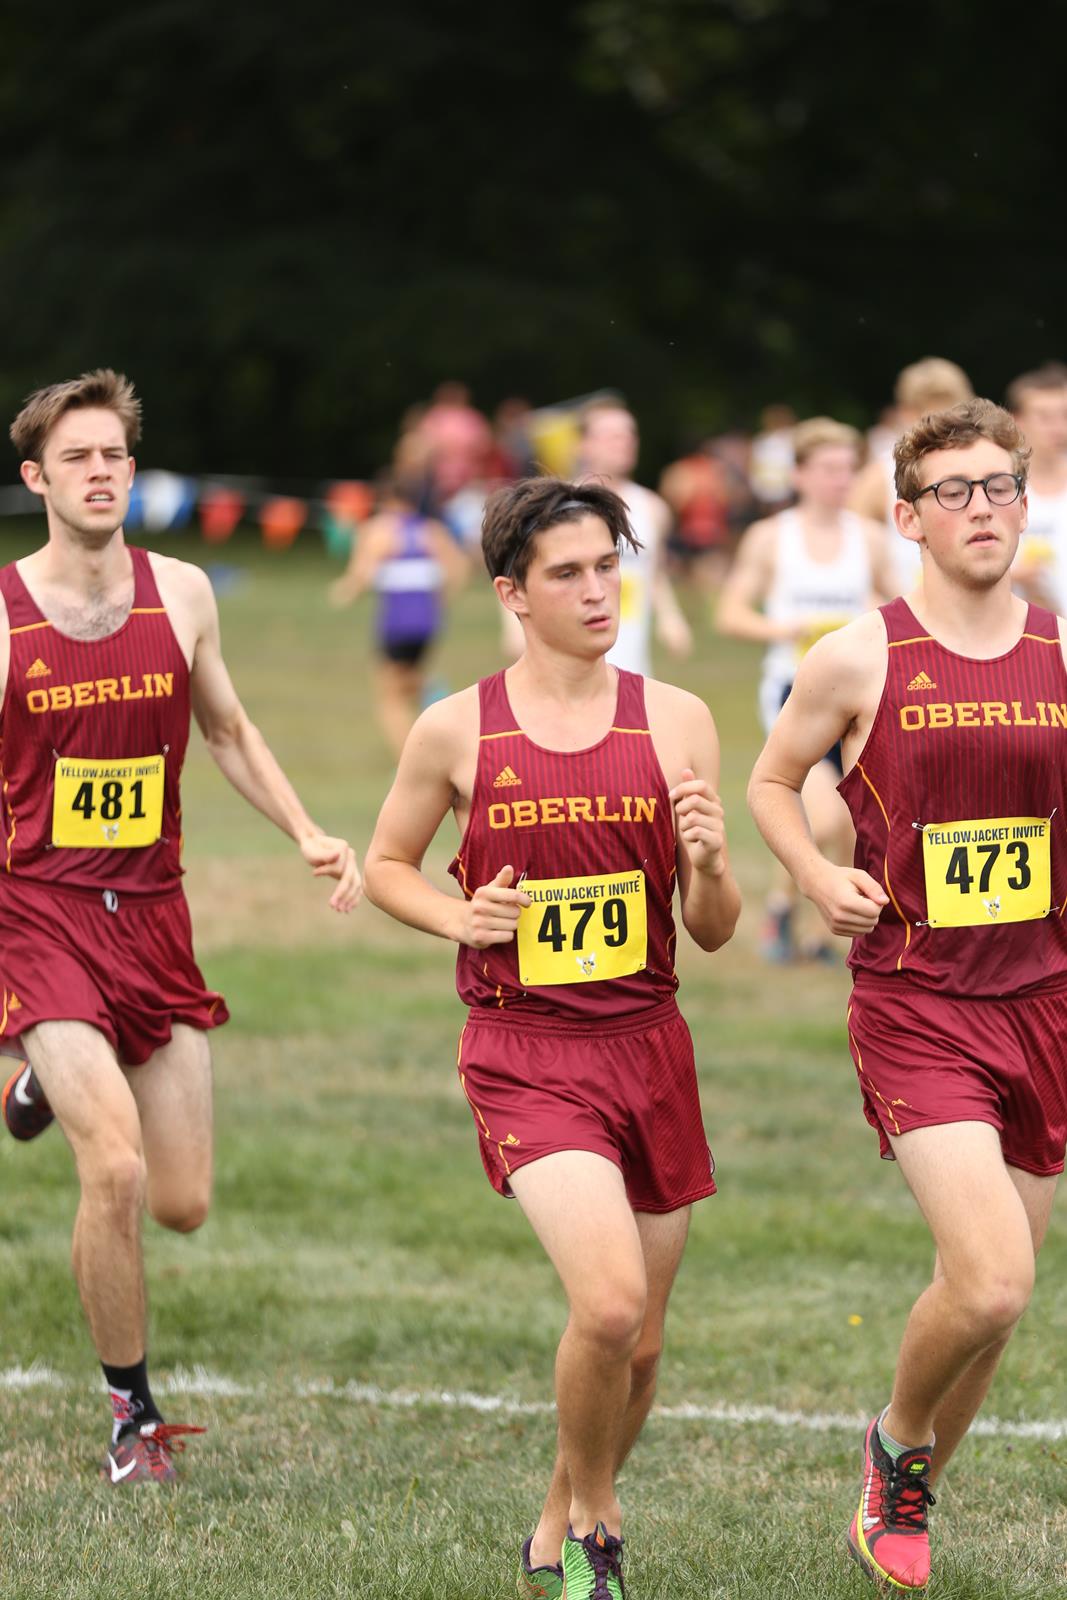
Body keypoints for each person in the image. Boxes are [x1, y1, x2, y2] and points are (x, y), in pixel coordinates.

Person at [363, 476, 740, 1600]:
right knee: (609, 1303)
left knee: (644, 1346)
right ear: (511, 594)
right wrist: (456, 914)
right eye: (566, 573)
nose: (594, 590)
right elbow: (387, 863)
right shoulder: (455, 727)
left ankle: (552, 1519)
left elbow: (710, 933)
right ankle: (596, 1517)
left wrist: (714, 865)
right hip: (526, 1050)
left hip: (648, 1042)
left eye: (604, 567)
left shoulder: (676, 719)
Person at [0, 370, 361, 1484]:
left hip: (154, 918)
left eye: (115, 454)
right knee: (109, 1167)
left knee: (181, 1201)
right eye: (78, 458)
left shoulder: (185, 593)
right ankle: (130, 1417)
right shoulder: (2, 613)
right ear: (37, 479)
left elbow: (231, 728)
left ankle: (28, 1085)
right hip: (37, 912)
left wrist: (305, 826)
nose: (101, 472)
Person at [748, 397, 1065, 1592]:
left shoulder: (1056, 646)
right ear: (906, 517)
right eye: (953, 492)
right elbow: (775, 781)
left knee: (996, 1307)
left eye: (998, 487)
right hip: (917, 999)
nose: (979, 509)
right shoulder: (858, 653)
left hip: (1043, 998)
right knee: (989, 1276)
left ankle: (905, 1481)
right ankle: (895, 1441)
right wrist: (813, 870)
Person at [717, 418, 894, 961]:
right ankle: (800, 920)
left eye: (847, 468)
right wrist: (784, 629)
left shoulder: (868, 538)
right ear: (798, 473)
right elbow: (729, 613)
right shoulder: (772, 537)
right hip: (792, 690)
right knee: (825, 812)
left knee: (846, 820)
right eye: (827, 469)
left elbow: (902, 607)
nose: (839, 480)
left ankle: (792, 917)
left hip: (858, 694)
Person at [329, 476, 468, 755]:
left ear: (387, 500)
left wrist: (342, 594)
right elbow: (459, 569)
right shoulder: (432, 531)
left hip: (396, 621)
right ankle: (430, 689)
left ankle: (408, 760)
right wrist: (439, 600)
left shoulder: (378, 530)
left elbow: (361, 576)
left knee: (389, 697)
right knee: (408, 678)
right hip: (427, 619)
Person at [849, 357, 973, 594]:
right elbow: (852, 554)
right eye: (932, 417)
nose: (943, 430)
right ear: (907, 413)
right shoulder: (879, 477)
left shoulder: (983, 469)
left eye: (952, 415)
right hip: (904, 607)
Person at [1007, 364, 1067, 610]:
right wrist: (1008, 575)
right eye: (1044, 417)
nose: (1057, 427)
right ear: (1016, 420)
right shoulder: (997, 488)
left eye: (1064, 415)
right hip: (1018, 636)